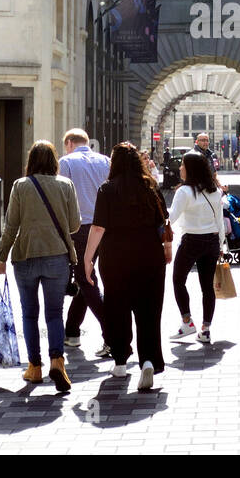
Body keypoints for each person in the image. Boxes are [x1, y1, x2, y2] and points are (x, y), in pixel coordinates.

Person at [83, 142, 170, 392]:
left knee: (116, 307)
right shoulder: (150, 187)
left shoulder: (107, 190)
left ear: (115, 163)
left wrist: (89, 259)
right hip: (149, 255)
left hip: (116, 256)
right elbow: (162, 221)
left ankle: (120, 362)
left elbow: (98, 227)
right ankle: (149, 362)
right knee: (149, 312)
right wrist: (166, 250)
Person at [0, 141, 79, 393]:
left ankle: (35, 367)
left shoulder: (20, 186)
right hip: (57, 256)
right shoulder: (66, 185)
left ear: (30, 161)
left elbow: (11, 226)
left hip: (26, 257)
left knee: (30, 314)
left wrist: (1, 258)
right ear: (55, 162)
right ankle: (58, 361)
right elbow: (74, 224)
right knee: (54, 313)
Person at [58, 128, 111, 357]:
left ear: (69, 142)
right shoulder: (106, 161)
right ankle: (72, 331)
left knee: (85, 279)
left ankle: (112, 332)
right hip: (104, 228)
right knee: (85, 278)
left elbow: (61, 197)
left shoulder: (66, 163)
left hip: (79, 229)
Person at [167, 151, 227, 345]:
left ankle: (187, 322)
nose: (181, 168)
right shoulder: (215, 191)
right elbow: (219, 220)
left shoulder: (184, 192)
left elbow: (171, 218)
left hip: (191, 241)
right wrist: (220, 245)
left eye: (183, 165)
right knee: (207, 287)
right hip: (211, 241)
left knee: (178, 280)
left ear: (190, 169)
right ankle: (206, 329)